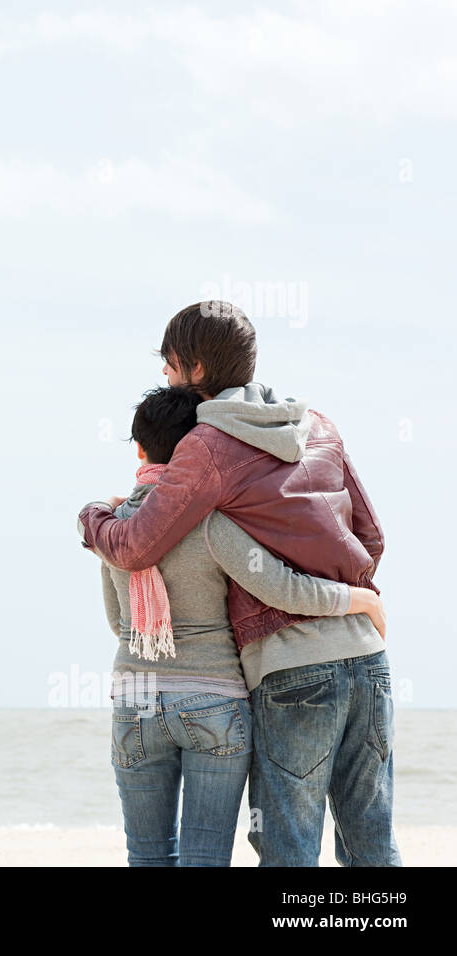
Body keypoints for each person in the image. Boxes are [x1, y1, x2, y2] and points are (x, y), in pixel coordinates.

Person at [79, 302, 400, 866]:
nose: (165, 375)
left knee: (288, 845)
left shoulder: (207, 444)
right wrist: (351, 599)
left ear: (197, 369)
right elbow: (370, 537)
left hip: (290, 665)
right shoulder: (317, 423)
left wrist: (92, 518)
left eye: (170, 363)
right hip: (368, 655)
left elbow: (135, 547)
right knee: (369, 841)